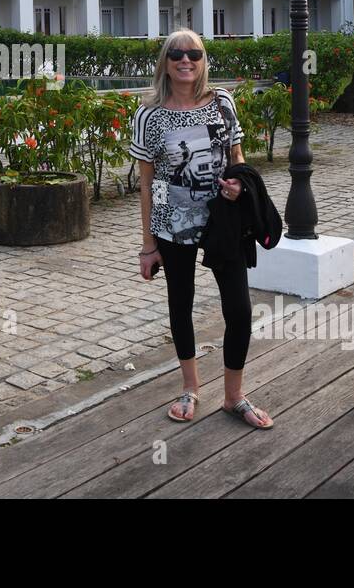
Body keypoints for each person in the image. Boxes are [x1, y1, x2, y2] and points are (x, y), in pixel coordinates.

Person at [128, 28, 273, 428]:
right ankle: (191, 388)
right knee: (182, 304)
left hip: (223, 223)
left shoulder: (222, 102)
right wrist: (148, 245)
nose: (185, 60)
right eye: (176, 54)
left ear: (204, 59)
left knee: (240, 310)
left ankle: (234, 396)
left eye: (194, 53)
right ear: (165, 62)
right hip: (172, 225)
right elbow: (146, 182)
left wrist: (239, 185)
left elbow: (237, 157)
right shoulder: (150, 115)